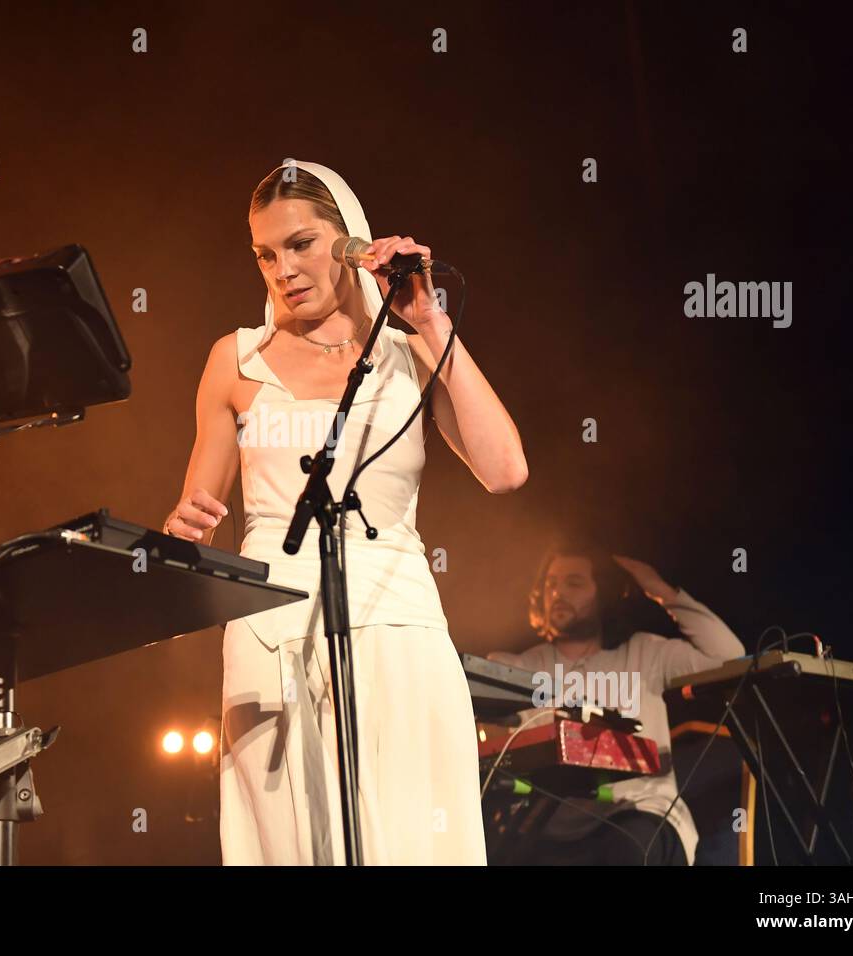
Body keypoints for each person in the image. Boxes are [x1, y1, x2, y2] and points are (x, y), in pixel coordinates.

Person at [163, 160, 528, 864]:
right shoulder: (235, 360)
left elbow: (505, 469)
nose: (283, 270)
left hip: (397, 623)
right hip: (268, 632)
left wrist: (428, 319)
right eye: (266, 254)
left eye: (301, 244)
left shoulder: (409, 350)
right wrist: (182, 531)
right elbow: (195, 515)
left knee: (411, 842)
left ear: (351, 240)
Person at [487, 544, 746, 865]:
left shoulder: (644, 652)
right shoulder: (520, 667)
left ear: (604, 594)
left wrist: (663, 592)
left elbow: (729, 658)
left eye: (574, 583)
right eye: (550, 584)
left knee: (625, 850)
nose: (557, 593)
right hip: (552, 828)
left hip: (638, 814)